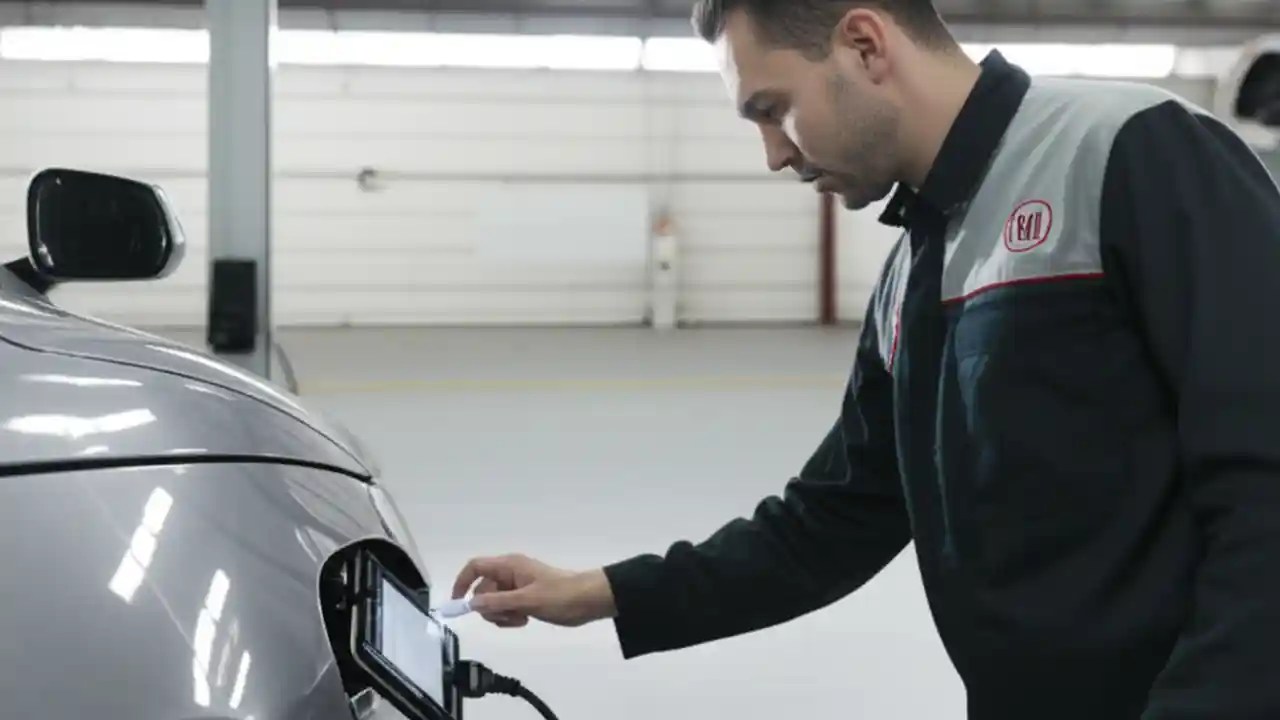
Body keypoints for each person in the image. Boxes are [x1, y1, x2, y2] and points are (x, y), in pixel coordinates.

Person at [452, 1, 1280, 718]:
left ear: (865, 45)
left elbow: (1262, 488)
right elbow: (831, 521)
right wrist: (596, 591)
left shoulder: (1132, 153)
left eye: (773, 109)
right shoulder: (915, 269)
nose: (774, 153)